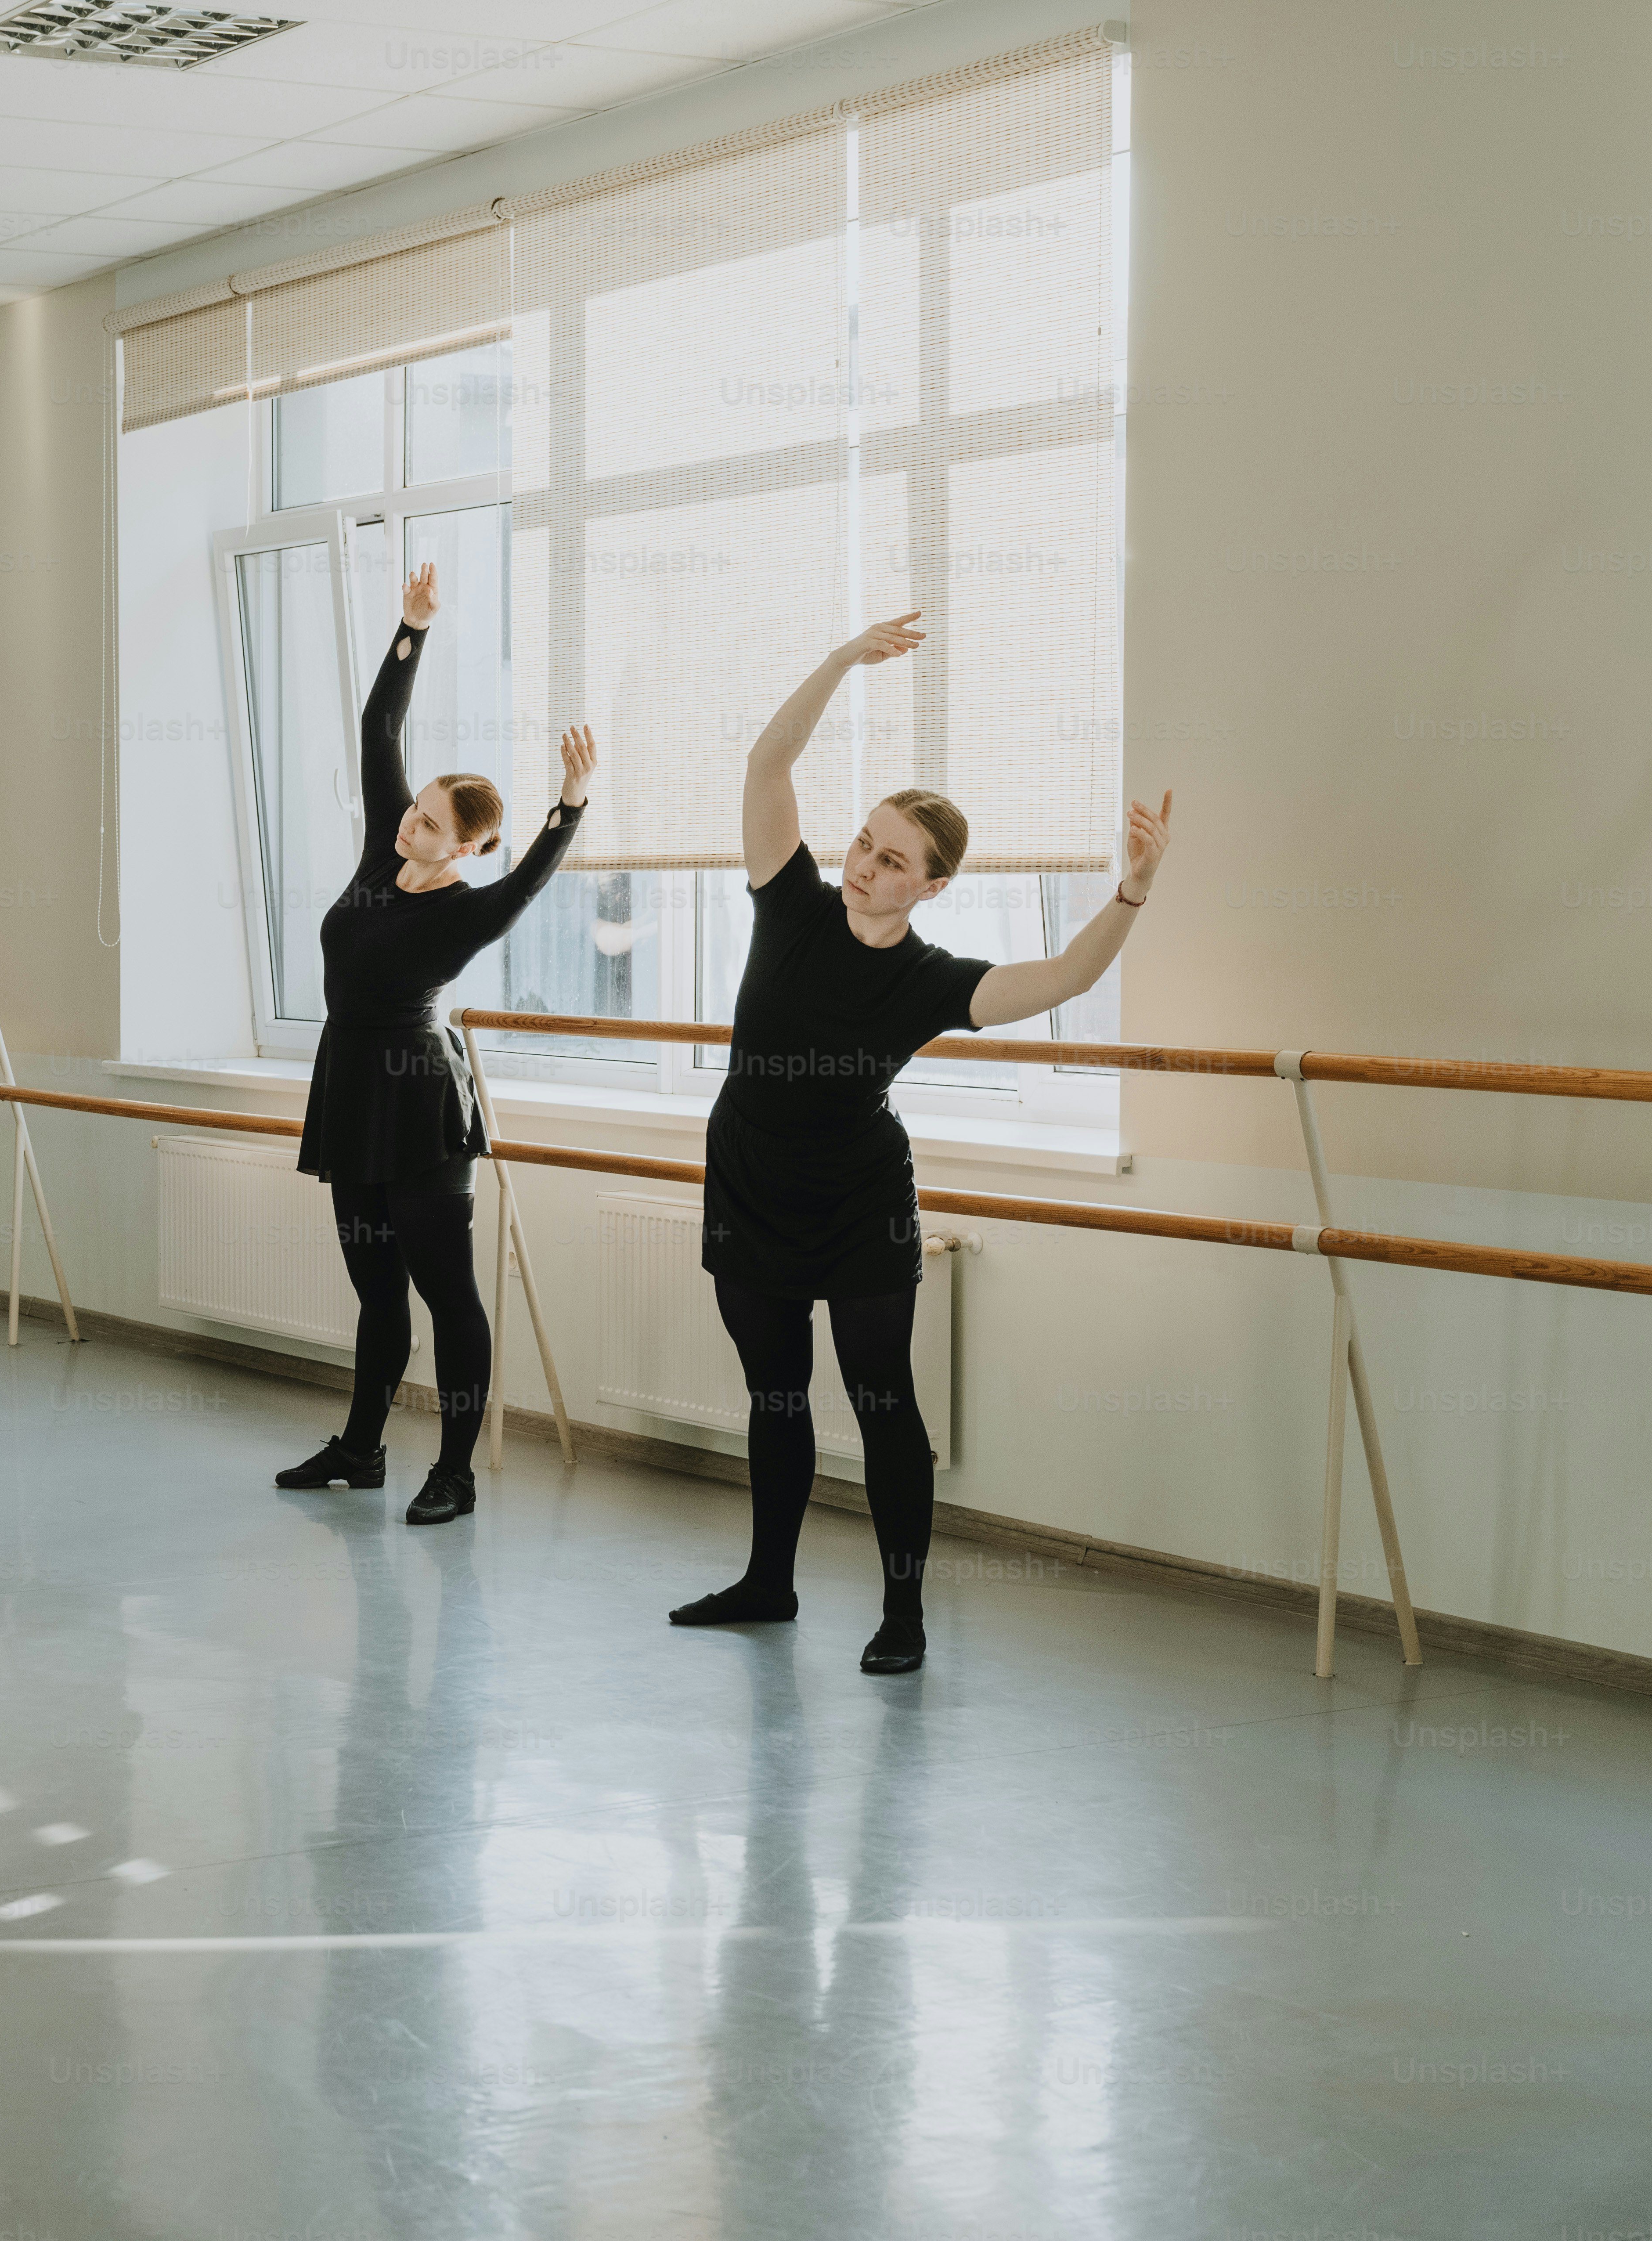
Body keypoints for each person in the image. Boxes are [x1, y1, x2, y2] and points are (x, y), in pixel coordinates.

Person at [671, 611, 1176, 1674]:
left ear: (931, 885)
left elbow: (1066, 981)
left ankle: (901, 1615)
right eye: (862, 841)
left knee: (880, 1399)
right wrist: (844, 660)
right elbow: (768, 761)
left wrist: (1128, 889)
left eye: (891, 859)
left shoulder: (929, 979)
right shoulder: (788, 905)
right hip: (751, 1178)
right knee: (773, 1393)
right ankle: (770, 1583)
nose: (862, 864)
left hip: (857, 1202)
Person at [274, 563, 594, 1525]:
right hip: (347, 1088)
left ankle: (451, 1468)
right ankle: (362, 1446)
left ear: (465, 847)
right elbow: (378, 730)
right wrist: (409, 630)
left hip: (417, 1103)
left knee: (444, 1292)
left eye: (430, 822)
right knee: (374, 1289)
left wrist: (568, 805)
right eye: (413, 810)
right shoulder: (383, 847)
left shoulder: (467, 912)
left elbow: (532, 880)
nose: (410, 821)